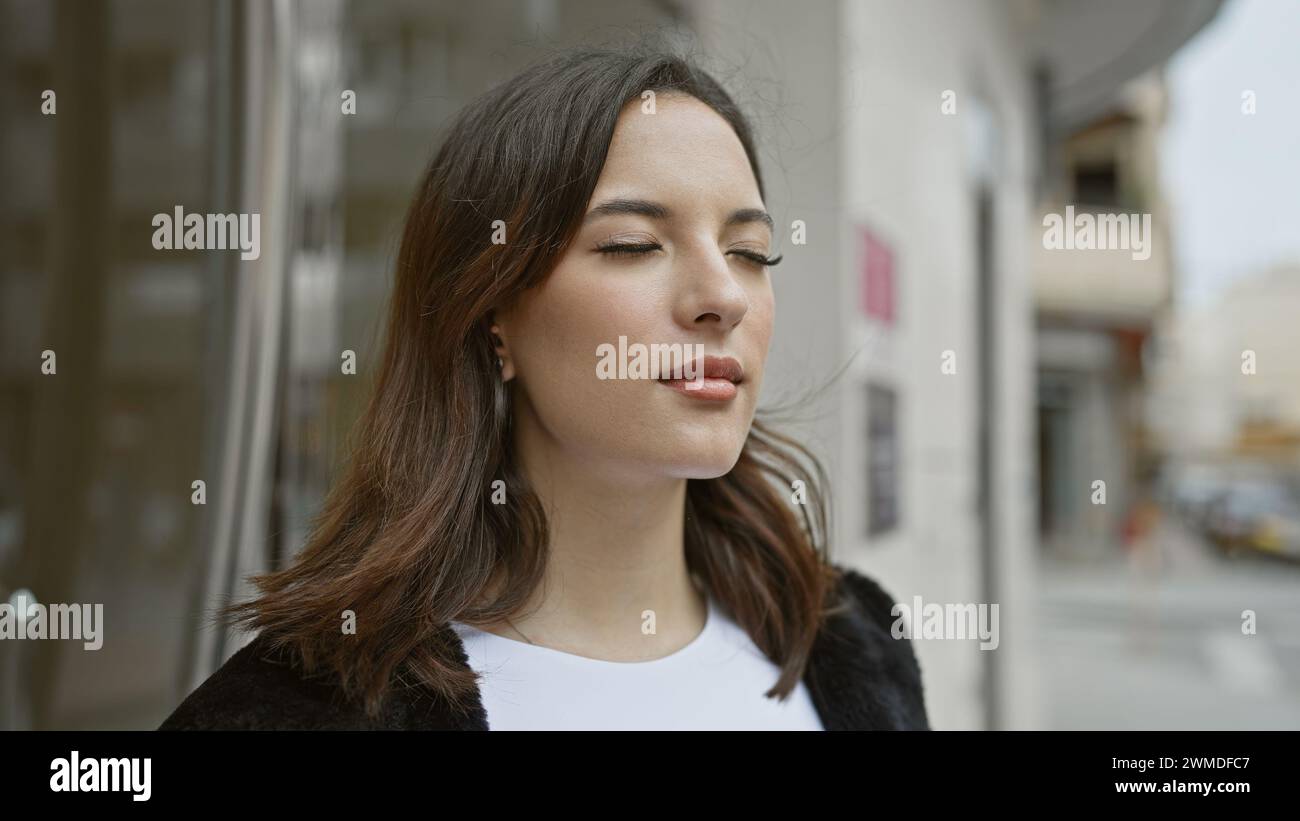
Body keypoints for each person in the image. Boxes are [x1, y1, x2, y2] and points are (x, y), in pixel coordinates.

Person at [159, 46, 929, 731]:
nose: (722, 294)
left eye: (750, 251)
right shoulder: (300, 706)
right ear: (493, 316)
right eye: (632, 244)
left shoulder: (852, 640)